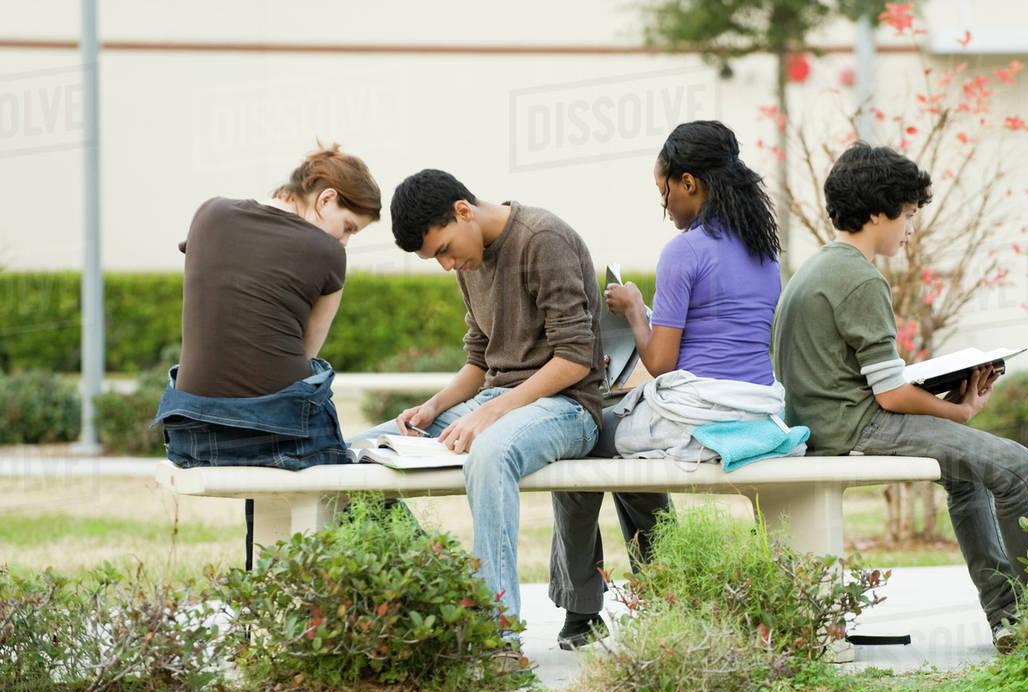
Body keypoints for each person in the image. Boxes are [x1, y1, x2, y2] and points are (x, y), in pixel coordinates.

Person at [771, 141, 1028, 652]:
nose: (911, 227)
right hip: (855, 428)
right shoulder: (859, 278)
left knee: (967, 479)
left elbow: (868, 376)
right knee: (1019, 469)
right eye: (909, 213)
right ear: (879, 211)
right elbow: (893, 396)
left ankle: (1008, 619)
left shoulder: (815, 269)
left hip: (825, 421)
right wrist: (959, 410)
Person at [550, 119, 785, 649]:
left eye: (664, 194)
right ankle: (663, 590)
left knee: (576, 443)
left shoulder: (684, 251)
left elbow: (659, 361)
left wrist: (634, 309)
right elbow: (723, 335)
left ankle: (580, 611)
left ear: (689, 183)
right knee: (630, 455)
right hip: (751, 411)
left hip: (696, 418)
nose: (666, 208)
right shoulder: (763, 248)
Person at [353, 169, 605, 656]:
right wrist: (434, 407)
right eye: (436, 259)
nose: (447, 265)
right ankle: (442, 588)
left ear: (463, 211)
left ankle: (496, 634)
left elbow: (575, 359)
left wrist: (492, 414)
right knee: (359, 454)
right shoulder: (470, 260)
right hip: (500, 401)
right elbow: (479, 360)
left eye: (444, 249)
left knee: (490, 453)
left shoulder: (542, 239)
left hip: (568, 407)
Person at [154, 143, 381, 470]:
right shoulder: (328, 253)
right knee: (312, 390)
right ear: (326, 198)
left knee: (264, 387)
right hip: (278, 434)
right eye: (348, 227)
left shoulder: (209, 214)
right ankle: (399, 525)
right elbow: (305, 355)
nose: (344, 241)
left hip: (190, 432)